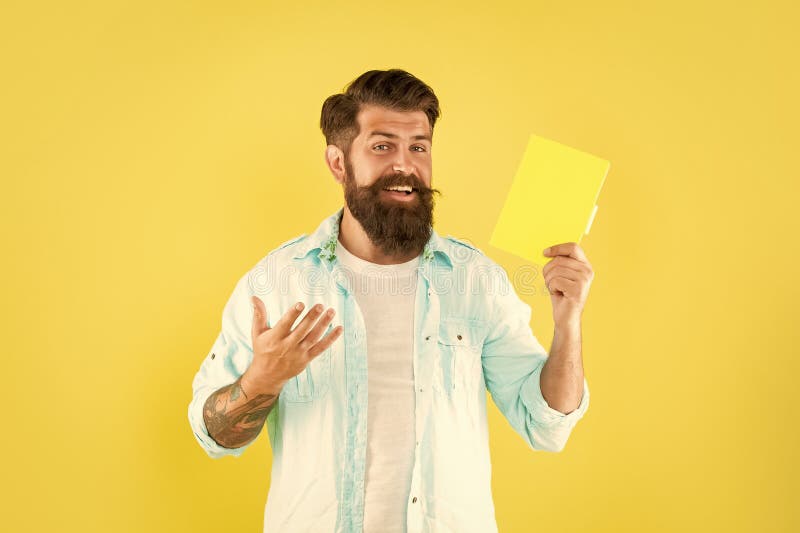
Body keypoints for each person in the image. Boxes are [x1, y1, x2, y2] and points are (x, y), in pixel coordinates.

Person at [188, 69, 593, 533]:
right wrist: (260, 381)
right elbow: (213, 437)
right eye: (382, 146)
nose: (405, 165)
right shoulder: (276, 283)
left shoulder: (476, 282)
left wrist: (568, 323)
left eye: (418, 146)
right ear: (338, 162)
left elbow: (546, 426)